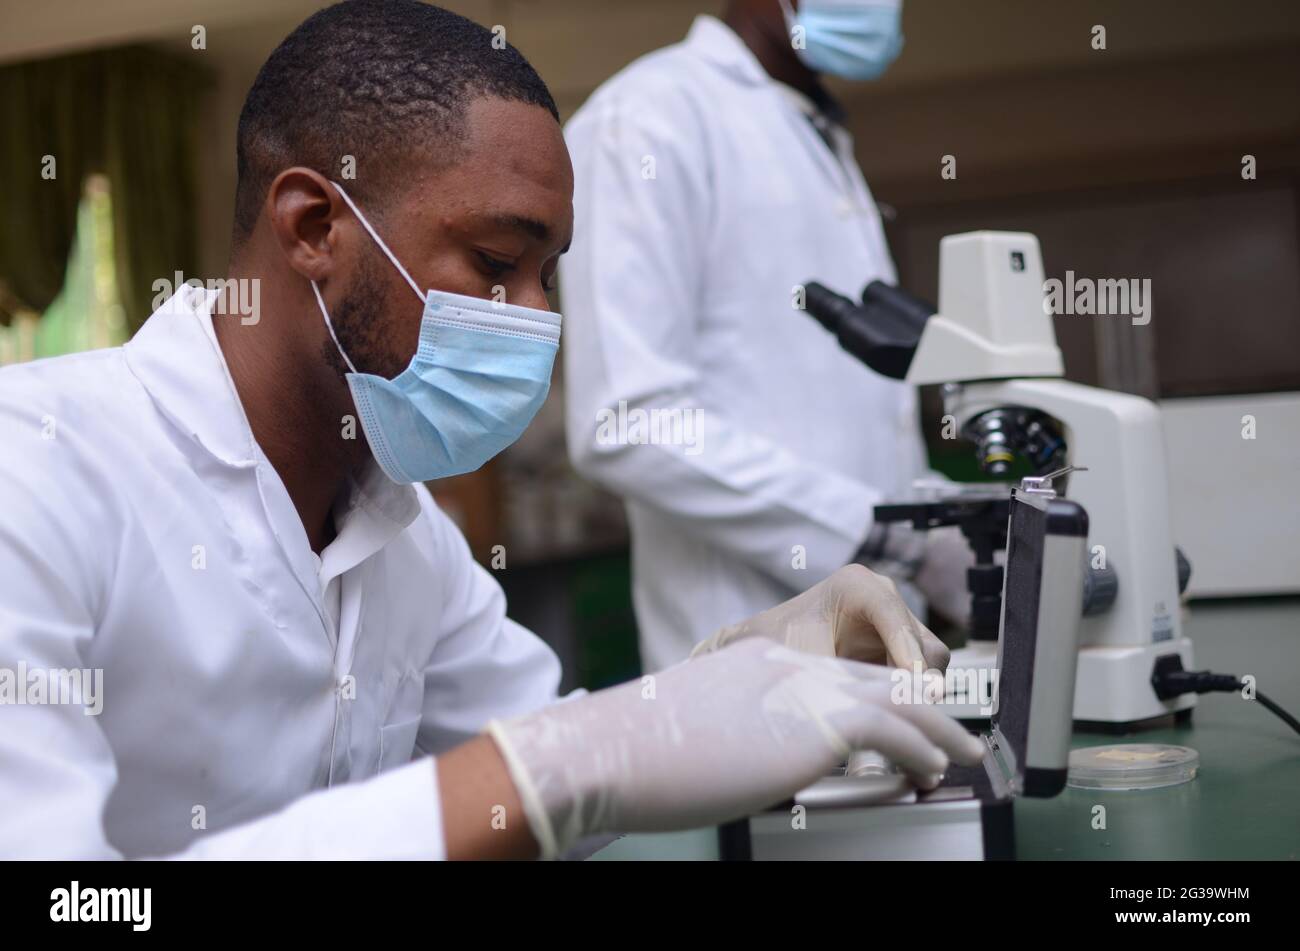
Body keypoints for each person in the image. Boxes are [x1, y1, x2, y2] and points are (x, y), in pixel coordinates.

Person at [0, 0, 980, 861]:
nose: (535, 319)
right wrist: (565, 763)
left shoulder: (403, 532)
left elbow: (578, 772)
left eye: (546, 276)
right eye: (496, 260)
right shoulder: (36, 473)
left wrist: (756, 670)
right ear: (310, 227)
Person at [562, 0, 969, 674]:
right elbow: (628, 419)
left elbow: (850, 425)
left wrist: (944, 522)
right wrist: (887, 535)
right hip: (746, 677)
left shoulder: (811, 130)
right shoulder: (645, 119)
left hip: (882, 668)